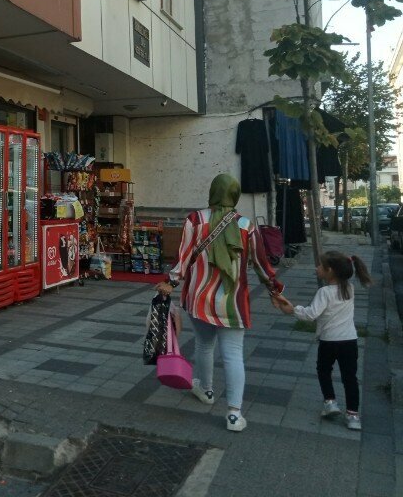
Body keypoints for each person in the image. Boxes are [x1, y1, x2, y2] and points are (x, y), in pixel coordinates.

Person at [156, 174, 284, 432]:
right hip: (233, 301)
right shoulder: (247, 226)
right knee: (233, 355)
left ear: (213, 192)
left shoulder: (195, 220)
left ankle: (206, 390)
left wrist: (170, 282)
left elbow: (182, 259)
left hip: (198, 297)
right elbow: (261, 263)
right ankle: (234, 414)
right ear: (235, 195)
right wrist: (274, 290)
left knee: (204, 344)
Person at [271, 250, 372, 430]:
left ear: (330, 270)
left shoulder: (324, 292)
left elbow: (311, 315)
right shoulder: (350, 288)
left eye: (320, 265)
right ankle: (353, 416)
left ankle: (330, 402)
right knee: (350, 378)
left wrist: (293, 309)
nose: (316, 268)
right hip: (350, 341)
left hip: (329, 341)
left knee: (324, 370)